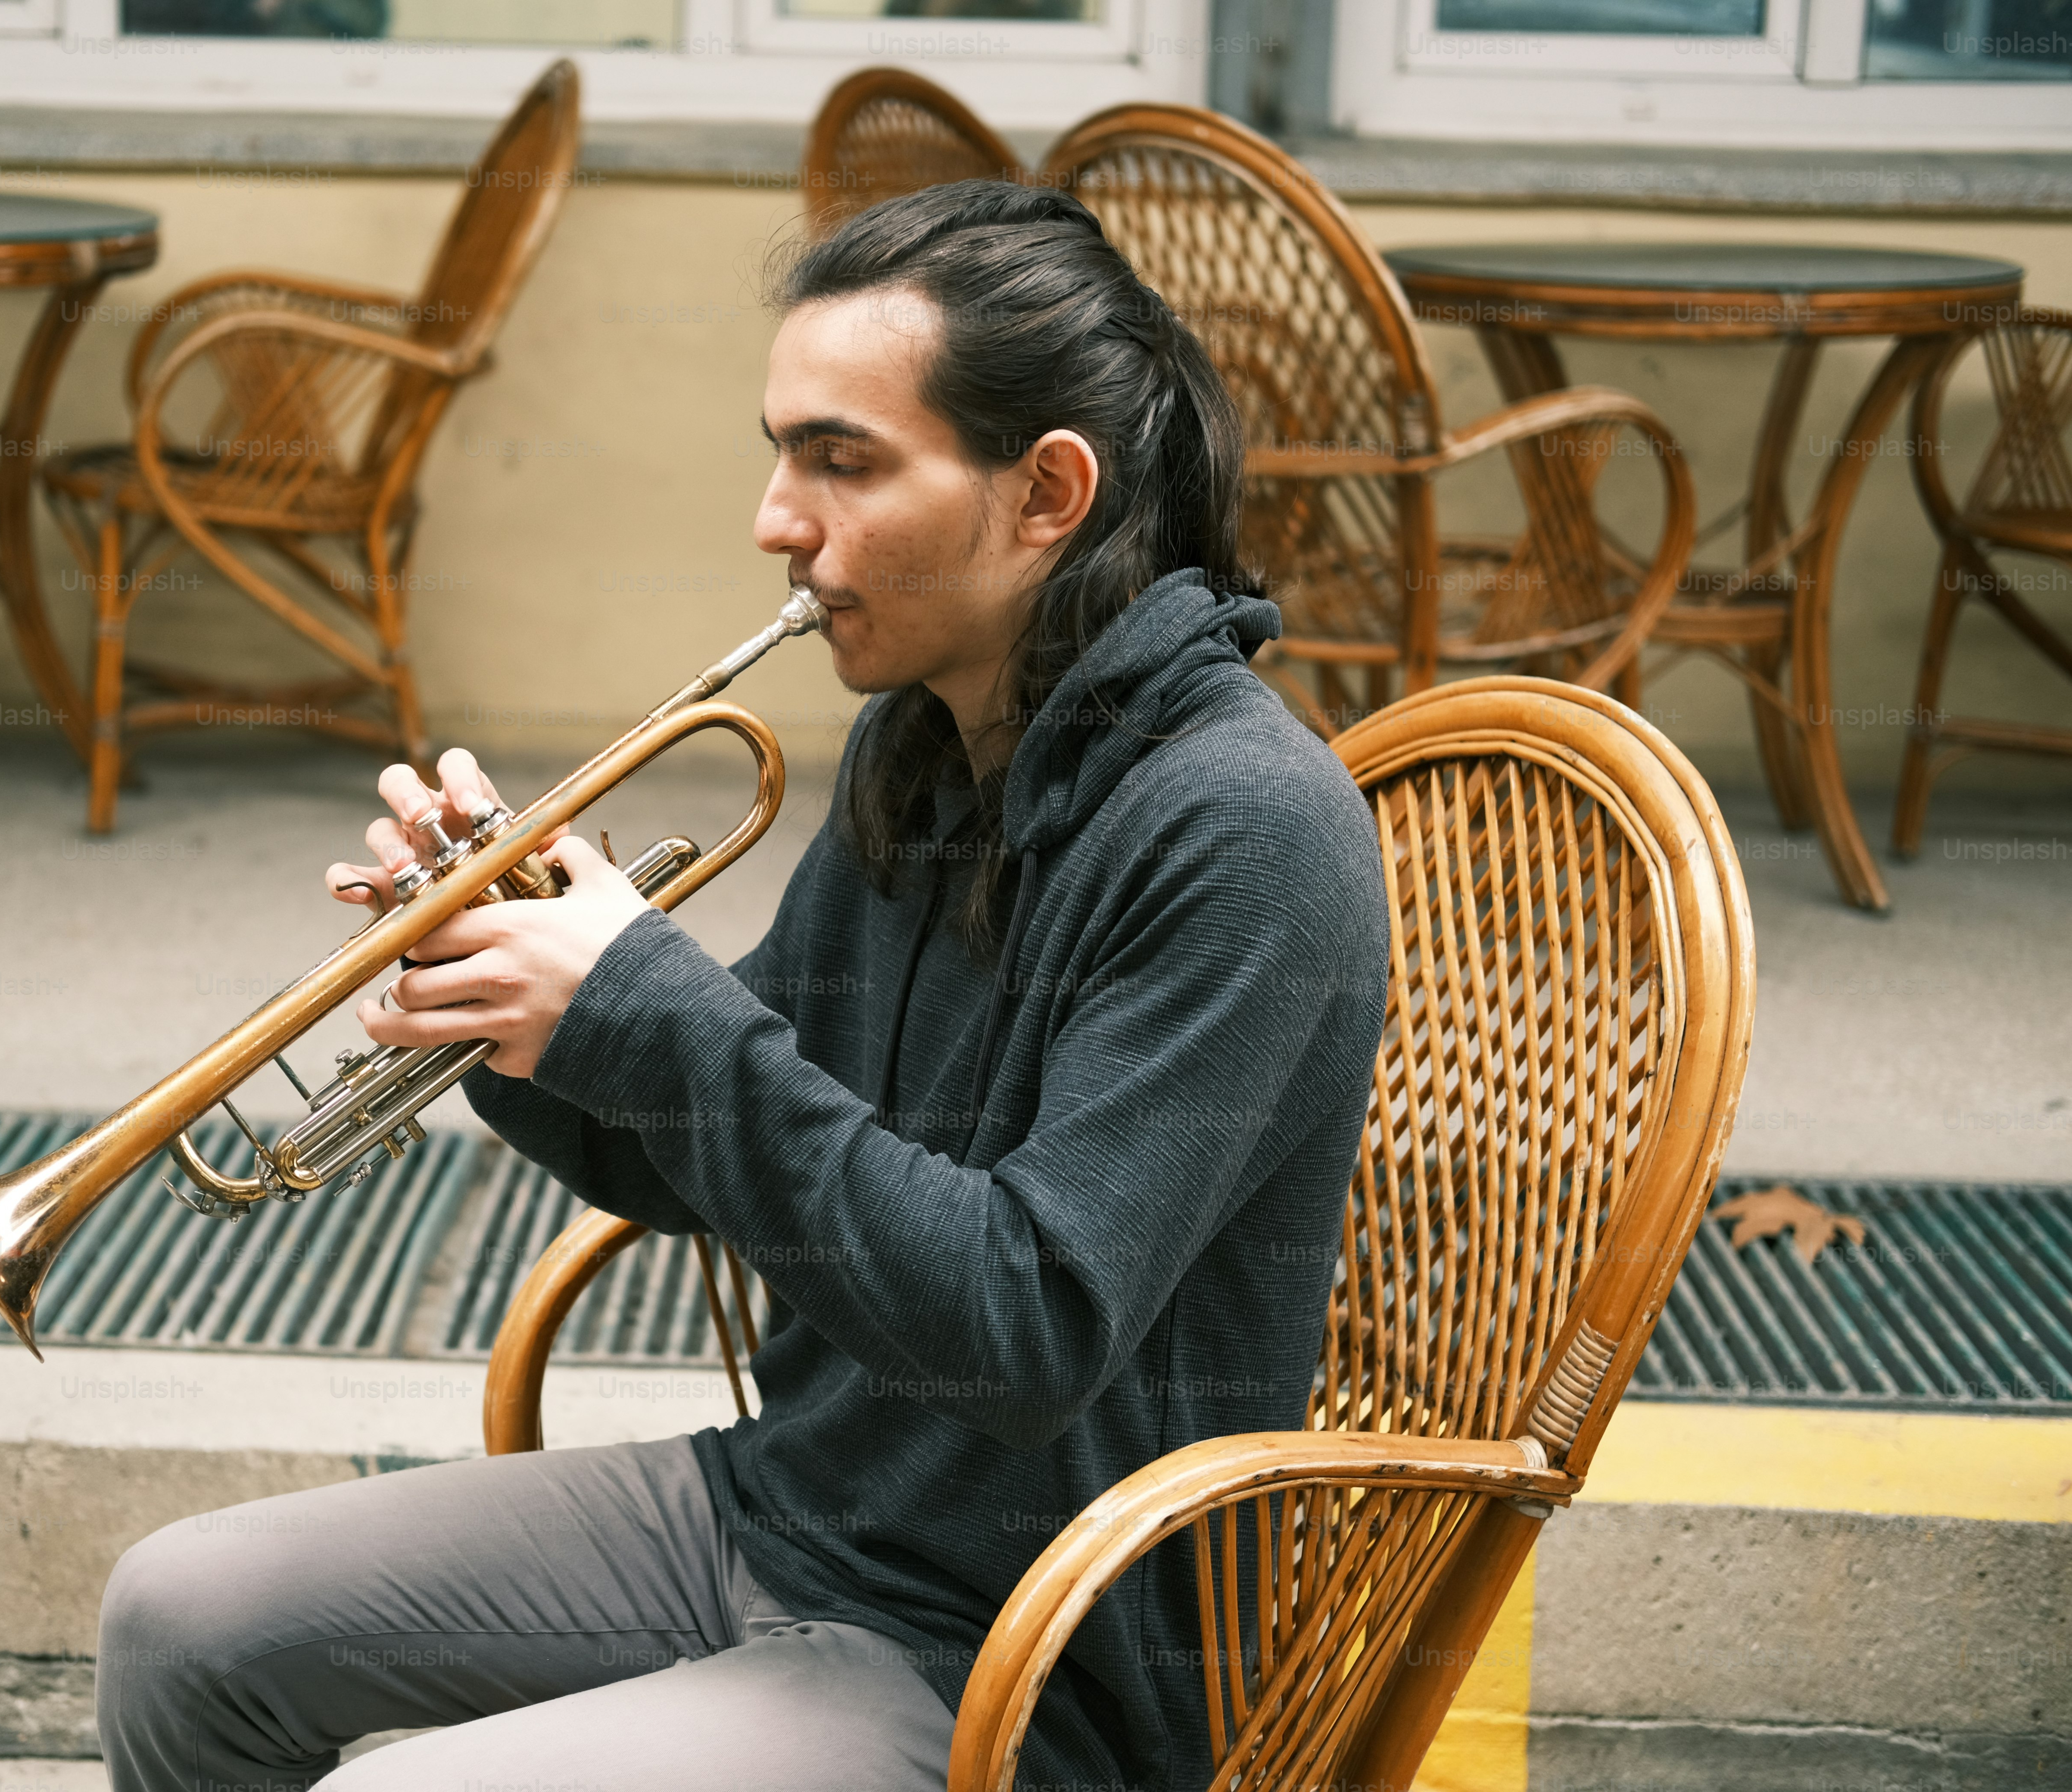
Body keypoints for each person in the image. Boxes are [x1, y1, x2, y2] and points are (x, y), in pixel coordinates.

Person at [96, 180, 1390, 1792]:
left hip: (1026, 1657)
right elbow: (682, 1156)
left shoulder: (1246, 830)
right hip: (784, 1511)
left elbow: (1021, 1329)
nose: (778, 519)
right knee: (180, 1617)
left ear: (1049, 492)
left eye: (844, 461)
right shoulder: (926, 748)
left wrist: (649, 1012)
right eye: (782, 453)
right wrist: (499, 983)